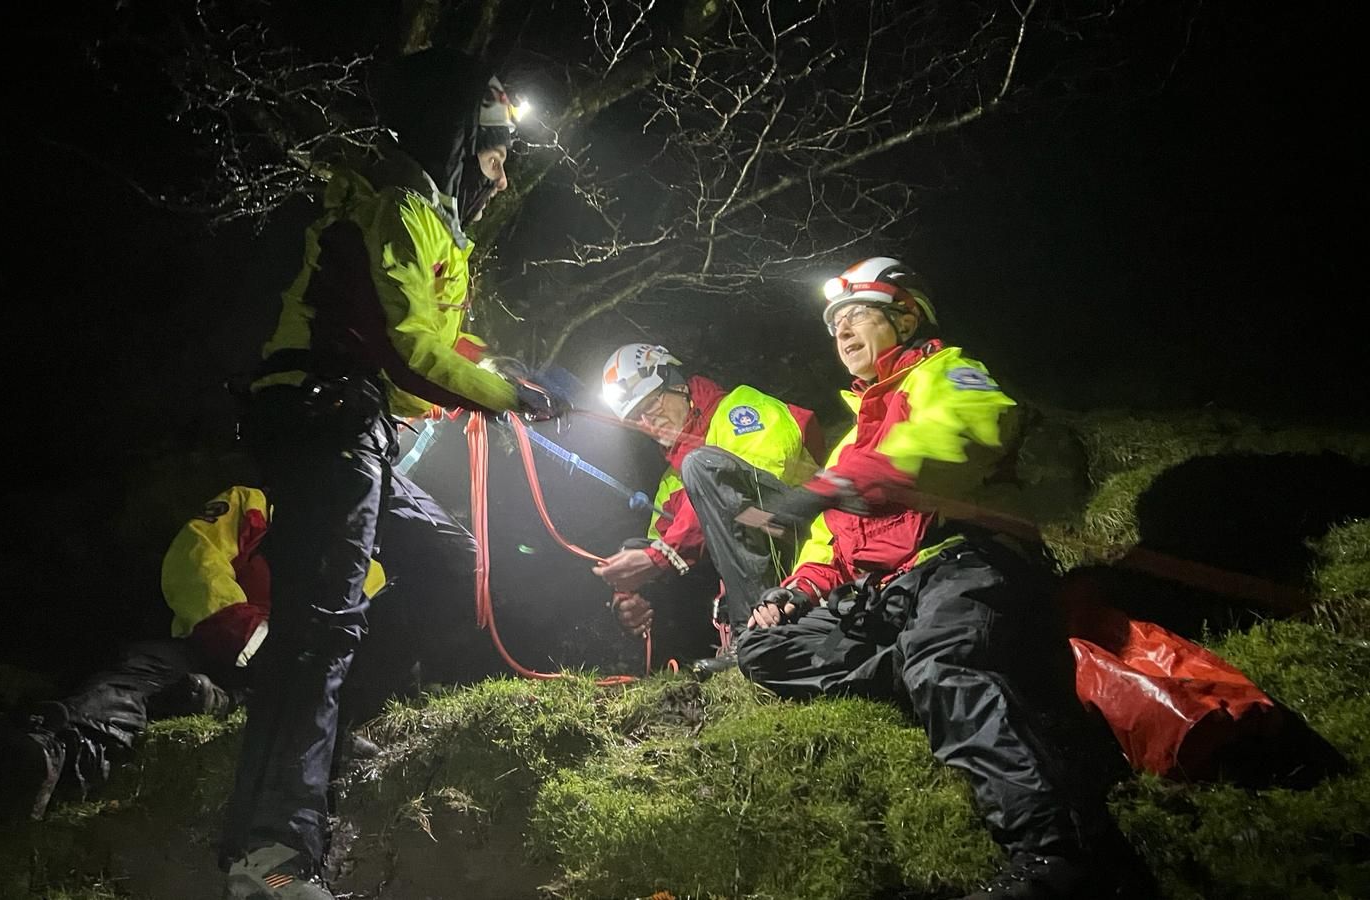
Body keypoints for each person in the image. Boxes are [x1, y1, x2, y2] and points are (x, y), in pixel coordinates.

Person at [221, 48, 565, 900]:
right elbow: (403, 346)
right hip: (317, 414)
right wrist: (504, 393)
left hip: (354, 422)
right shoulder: (403, 205)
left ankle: (327, 744)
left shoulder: (433, 221)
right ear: (460, 140)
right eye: (494, 151)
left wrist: (497, 380)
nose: (501, 169)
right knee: (318, 627)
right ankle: (269, 857)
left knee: (445, 563)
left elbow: (418, 351)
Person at [733, 257, 1151, 900]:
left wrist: (845, 483)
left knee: (943, 662)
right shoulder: (853, 435)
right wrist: (801, 589)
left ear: (906, 315)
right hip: (888, 591)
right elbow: (833, 543)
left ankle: (1058, 858)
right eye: (835, 324)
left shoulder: (950, 373)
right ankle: (920, 671)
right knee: (764, 649)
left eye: (857, 316)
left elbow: (964, 434)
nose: (842, 334)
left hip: (967, 561)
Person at [0, 485, 401, 823]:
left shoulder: (370, 570)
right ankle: (43, 755)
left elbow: (349, 649)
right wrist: (252, 636)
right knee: (138, 676)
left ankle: (194, 702)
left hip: (269, 688)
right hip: (205, 647)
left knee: (196, 696)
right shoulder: (255, 504)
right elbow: (195, 557)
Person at [592, 343, 823, 672]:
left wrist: (661, 556)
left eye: (652, 402)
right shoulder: (672, 479)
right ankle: (676, 658)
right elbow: (660, 546)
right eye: (636, 418)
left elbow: (749, 494)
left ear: (678, 384)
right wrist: (628, 591)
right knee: (638, 547)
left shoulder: (741, 409)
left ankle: (757, 636)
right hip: (753, 541)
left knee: (702, 474)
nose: (648, 421)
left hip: (805, 535)